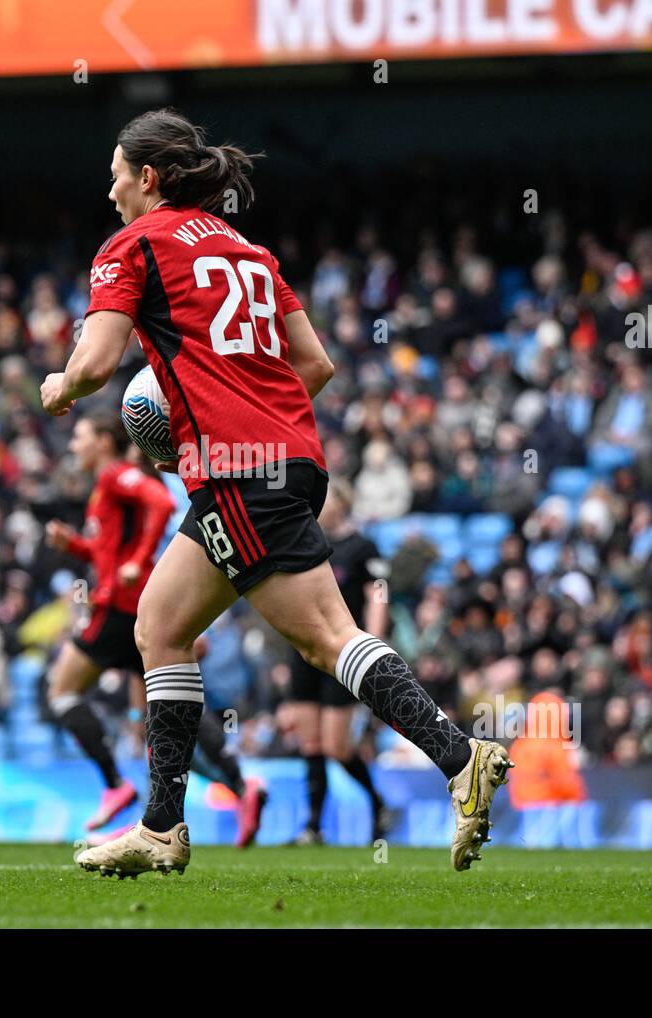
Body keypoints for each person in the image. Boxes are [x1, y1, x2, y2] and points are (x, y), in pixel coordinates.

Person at [40, 108, 512, 878]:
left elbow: (95, 365)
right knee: (161, 625)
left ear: (149, 178)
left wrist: (60, 387)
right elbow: (316, 365)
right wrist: (225, 414)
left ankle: (459, 757)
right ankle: (161, 826)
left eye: (119, 172)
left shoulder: (133, 246)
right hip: (287, 457)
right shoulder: (249, 251)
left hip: (235, 469)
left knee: (324, 637)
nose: (111, 188)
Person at [45, 415, 268, 843]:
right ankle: (242, 785)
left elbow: (164, 504)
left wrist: (135, 562)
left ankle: (115, 784)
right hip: (134, 606)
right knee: (165, 704)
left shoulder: (116, 475)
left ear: (105, 440)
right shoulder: (106, 485)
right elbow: (107, 549)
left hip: (120, 608)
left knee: (62, 691)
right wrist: (74, 546)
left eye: (80, 435)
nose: (74, 444)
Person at [282, 479, 394, 845]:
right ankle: (313, 826)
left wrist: (372, 642)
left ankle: (378, 805)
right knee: (310, 743)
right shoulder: (305, 540)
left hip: (342, 652)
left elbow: (377, 594)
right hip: (303, 649)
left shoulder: (361, 547)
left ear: (343, 503)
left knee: (336, 746)